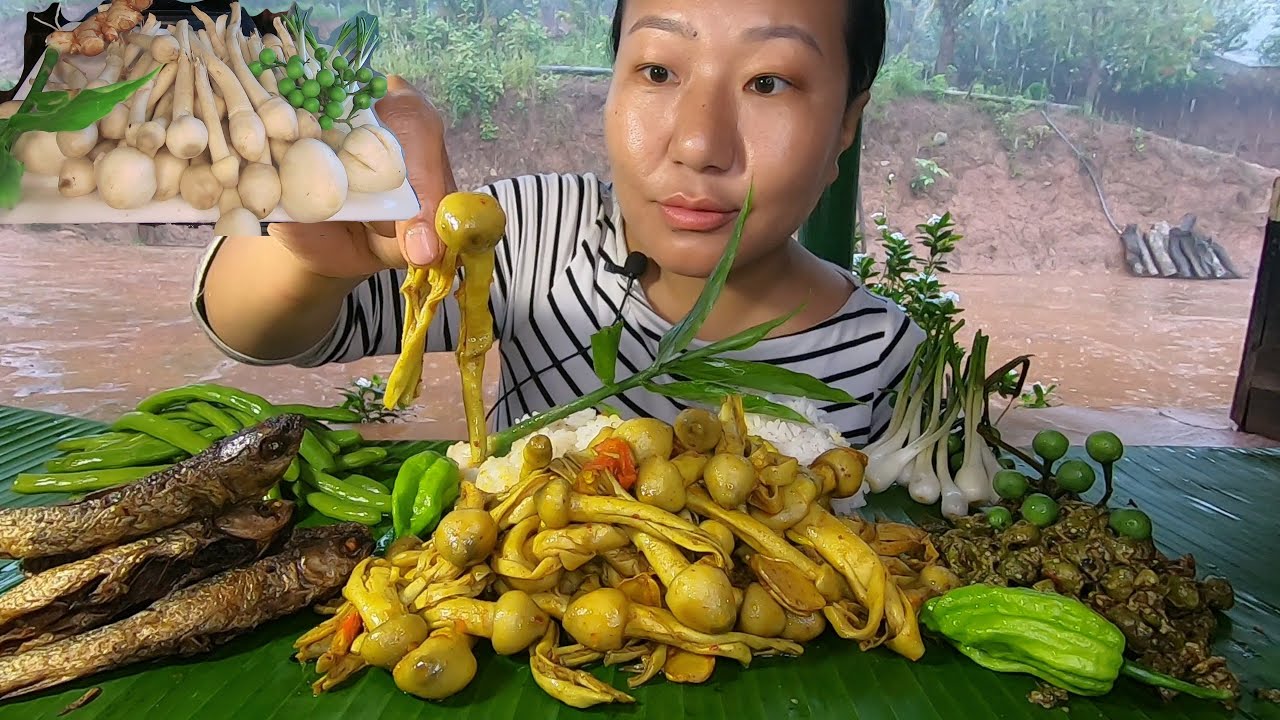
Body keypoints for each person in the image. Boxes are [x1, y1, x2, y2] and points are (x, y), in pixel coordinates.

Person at [193, 0, 925, 445]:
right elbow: (255, 331)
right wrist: (314, 252)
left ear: (844, 128)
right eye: (659, 72)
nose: (699, 144)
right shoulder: (534, 234)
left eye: (769, 82)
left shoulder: (889, 359)